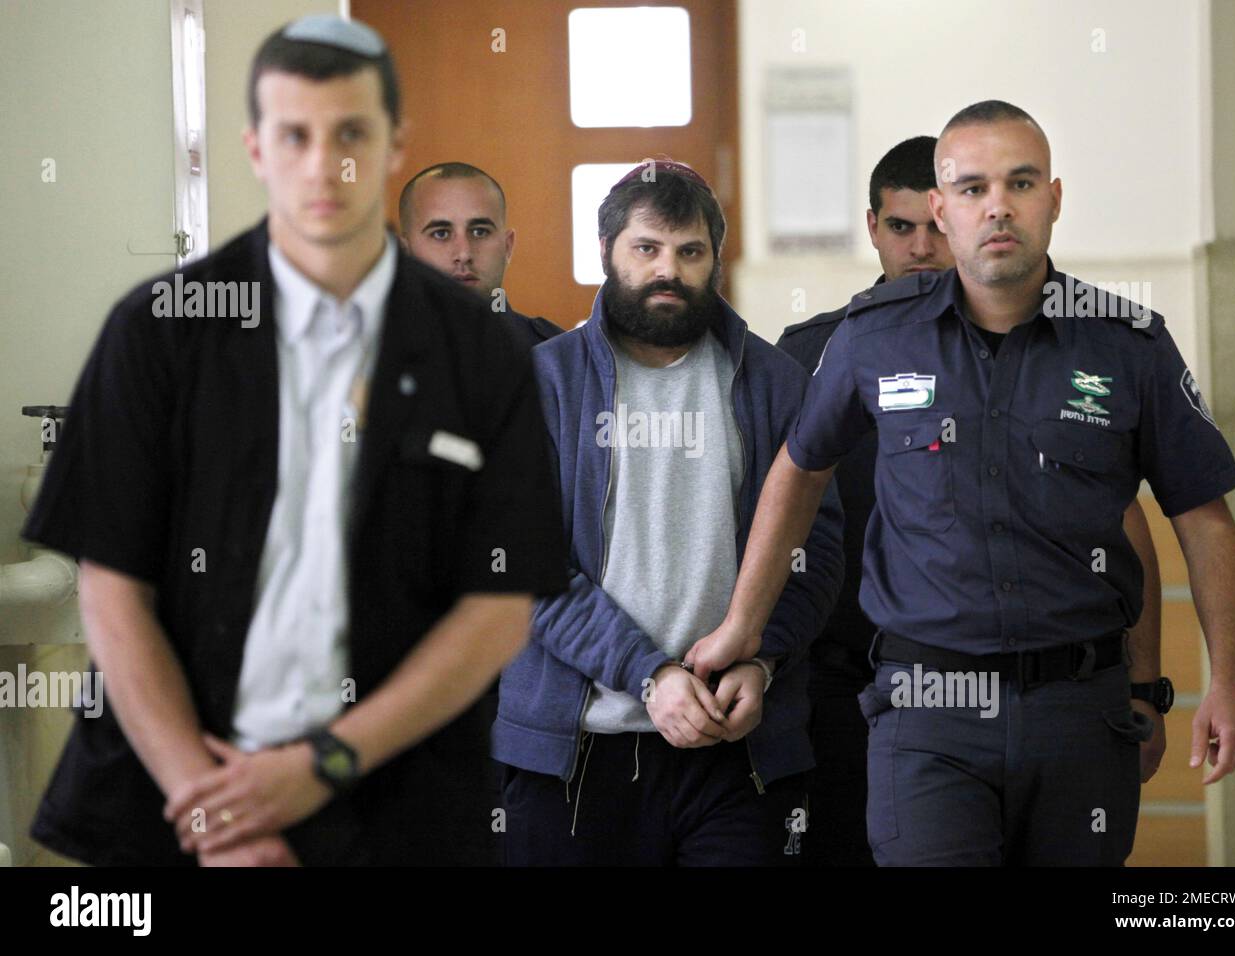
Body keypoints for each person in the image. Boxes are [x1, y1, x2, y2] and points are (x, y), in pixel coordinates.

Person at [20, 14, 566, 867]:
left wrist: (325, 763)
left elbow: (496, 608)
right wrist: (212, 812)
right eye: (295, 135)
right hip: (172, 804)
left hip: (400, 801)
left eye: (351, 133)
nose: (323, 165)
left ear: (391, 146)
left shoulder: (480, 351)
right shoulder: (159, 330)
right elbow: (112, 590)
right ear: (254, 147)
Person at [689, 101, 1235, 866]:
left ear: (1053, 200)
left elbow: (1202, 518)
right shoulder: (873, 336)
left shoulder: (1131, 346)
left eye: (1020, 183)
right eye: (971, 188)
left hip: (1080, 713)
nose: (997, 206)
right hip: (929, 715)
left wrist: (1229, 681)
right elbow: (799, 469)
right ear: (941, 208)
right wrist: (741, 628)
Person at [778, 135, 1166, 865]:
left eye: (934, 228)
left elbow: (1121, 522)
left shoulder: (1058, 343)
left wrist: (1147, 683)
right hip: (845, 682)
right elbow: (773, 512)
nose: (922, 249)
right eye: (901, 229)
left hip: (1026, 686)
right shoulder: (819, 354)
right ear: (876, 229)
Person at [492, 160, 844, 865]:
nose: (668, 271)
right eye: (646, 249)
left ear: (716, 260)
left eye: (690, 253)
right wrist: (647, 674)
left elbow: (816, 549)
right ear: (606, 253)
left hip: (737, 752)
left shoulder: (776, 383)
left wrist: (765, 659)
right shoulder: (544, 383)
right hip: (572, 755)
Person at [398, 162, 563, 345]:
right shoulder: (369, 357)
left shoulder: (559, 358)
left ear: (507, 247)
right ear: (404, 253)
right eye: (441, 234)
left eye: (479, 232)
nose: (464, 253)